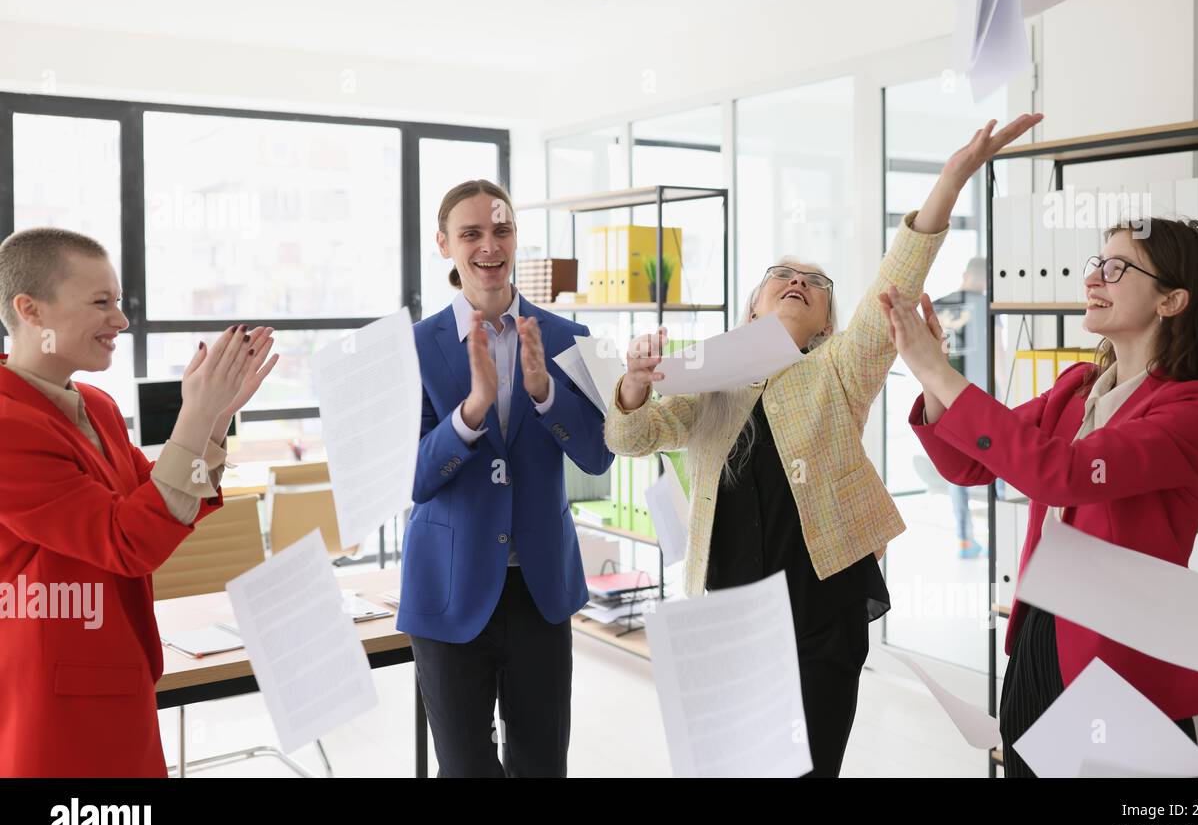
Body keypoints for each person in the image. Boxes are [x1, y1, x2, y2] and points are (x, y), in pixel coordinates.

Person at [606, 114, 1042, 777]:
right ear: (751, 305)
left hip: (820, 613)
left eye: (815, 283)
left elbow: (897, 278)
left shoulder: (837, 367)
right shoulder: (709, 378)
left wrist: (951, 179)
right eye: (781, 273)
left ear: (827, 325)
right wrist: (635, 384)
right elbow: (634, 436)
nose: (797, 280)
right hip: (726, 612)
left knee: (808, 769)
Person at [884, 208, 1198, 778]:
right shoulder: (1076, 387)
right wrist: (935, 376)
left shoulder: (1197, 405)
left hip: (1121, 650)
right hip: (1041, 632)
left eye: (1117, 267)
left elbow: (1066, 474)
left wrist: (942, 374)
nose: (1093, 278)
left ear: (1171, 301)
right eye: (1096, 263)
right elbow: (964, 463)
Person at [0, 227, 277, 776]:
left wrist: (216, 419)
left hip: (119, 672)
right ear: (30, 310)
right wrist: (194, 418)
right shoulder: (9, 427)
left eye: (119, 301)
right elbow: (128, 541)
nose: (121, 321)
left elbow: (158, 497)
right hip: (55, 704)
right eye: (101, 303)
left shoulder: (96, 405)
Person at [401, 179, 614, 778]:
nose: (488, 246)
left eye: (501, 230)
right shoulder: (411, 349)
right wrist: (470, 414)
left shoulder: (571, 339)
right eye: (471, 233)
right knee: (465, 769)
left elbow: (600, 458)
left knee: (543, 764)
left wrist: (546, 396)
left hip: (540, 590)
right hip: (448, 587)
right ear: (444, 244)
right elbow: (413, 478)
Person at [933, 256, 996, 557]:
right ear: (985, 279)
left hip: (944, 395)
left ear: (964, 274)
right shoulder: (985, 305)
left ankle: (964, 537)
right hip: (977, 397)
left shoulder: (938, 304)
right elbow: (998, 351)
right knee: (996, 457)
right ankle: (1000, 532)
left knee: (955, 466)